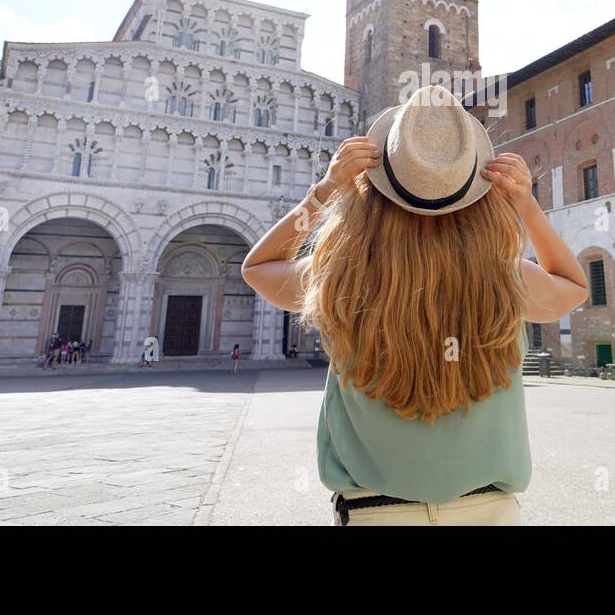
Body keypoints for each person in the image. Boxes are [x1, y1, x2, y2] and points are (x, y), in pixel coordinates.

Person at [242, 85, 588, 526]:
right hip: (489, 513)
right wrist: (527, 205)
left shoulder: (340, 274)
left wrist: (326, 190)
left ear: (373, 191)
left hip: (374, 513)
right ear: (477, 193)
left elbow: (258, 267)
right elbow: (573, 286)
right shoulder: (505, 277)